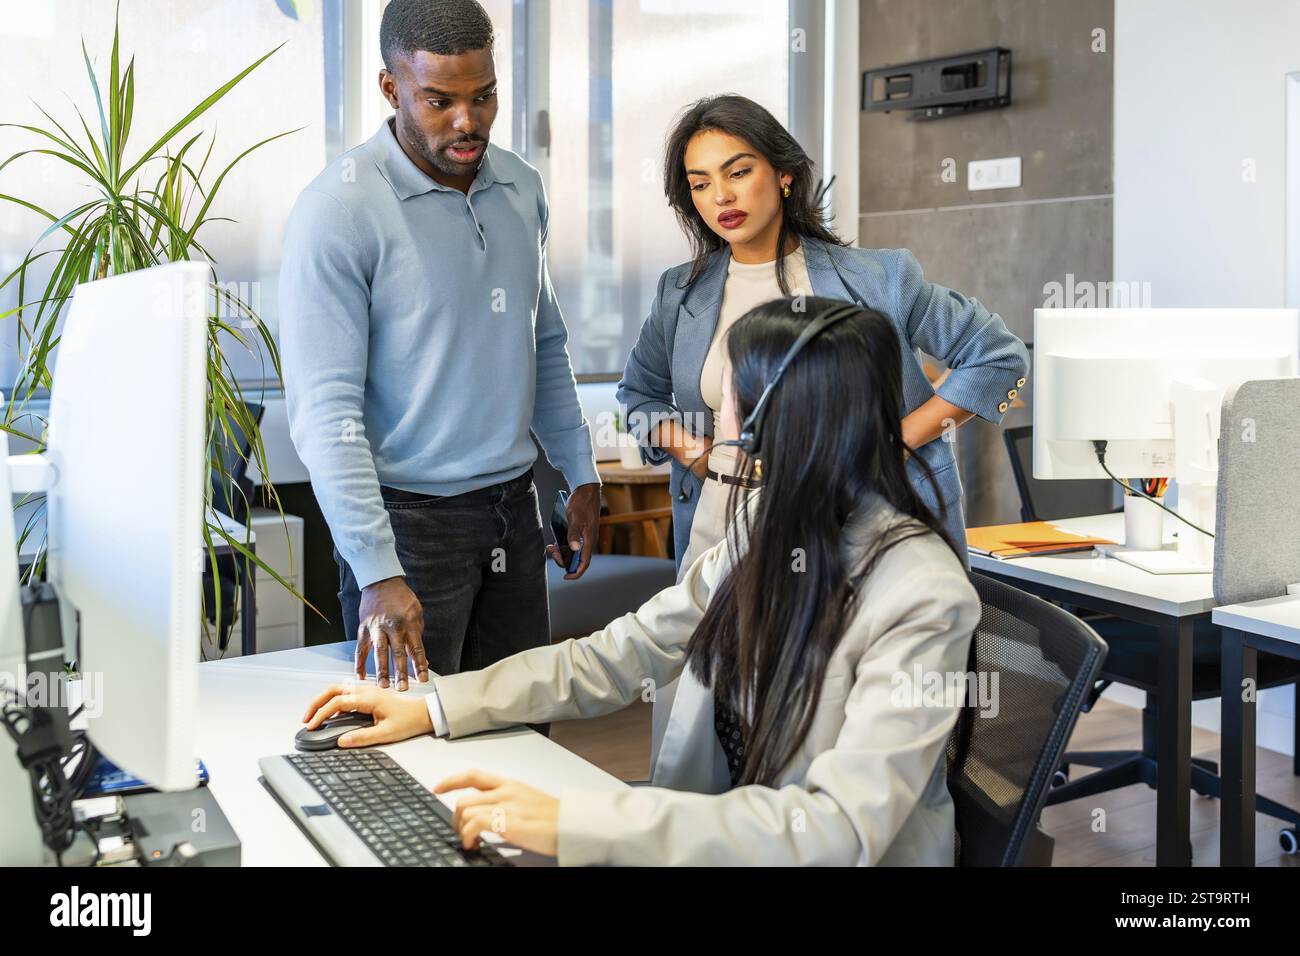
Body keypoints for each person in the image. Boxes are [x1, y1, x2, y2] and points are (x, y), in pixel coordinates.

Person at [300, 298, 981, 866]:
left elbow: (838, 828)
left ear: (775, 425)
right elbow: (623, 653)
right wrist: (437, 704)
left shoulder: (922, 593)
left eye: (729, 401)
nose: (716, 418)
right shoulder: (765, 526)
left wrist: (581, 823)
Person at [616, 94, 1026, 764]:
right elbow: (638, 397)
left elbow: (998, 356)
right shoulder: (679, 294)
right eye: (699, 183)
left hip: (856, 541)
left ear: (782, 173)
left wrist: (888, 445)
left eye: (737, 170)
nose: (720, 195)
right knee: (707, 737)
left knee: (836, 741)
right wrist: (698, 454)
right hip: (725, 538)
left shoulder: (878, 277)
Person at [279, 0, 600, 694]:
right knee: (409, 745)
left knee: (520, 734)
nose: (468, 121)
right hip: (408, 526)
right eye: (440, 100)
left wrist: (579, 469)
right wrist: (377, 570)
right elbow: (326, 413)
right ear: (391, 89)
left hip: (513, 512)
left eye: (483, 96)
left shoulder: (520, 186)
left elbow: (541, 339)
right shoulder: (337, 211)